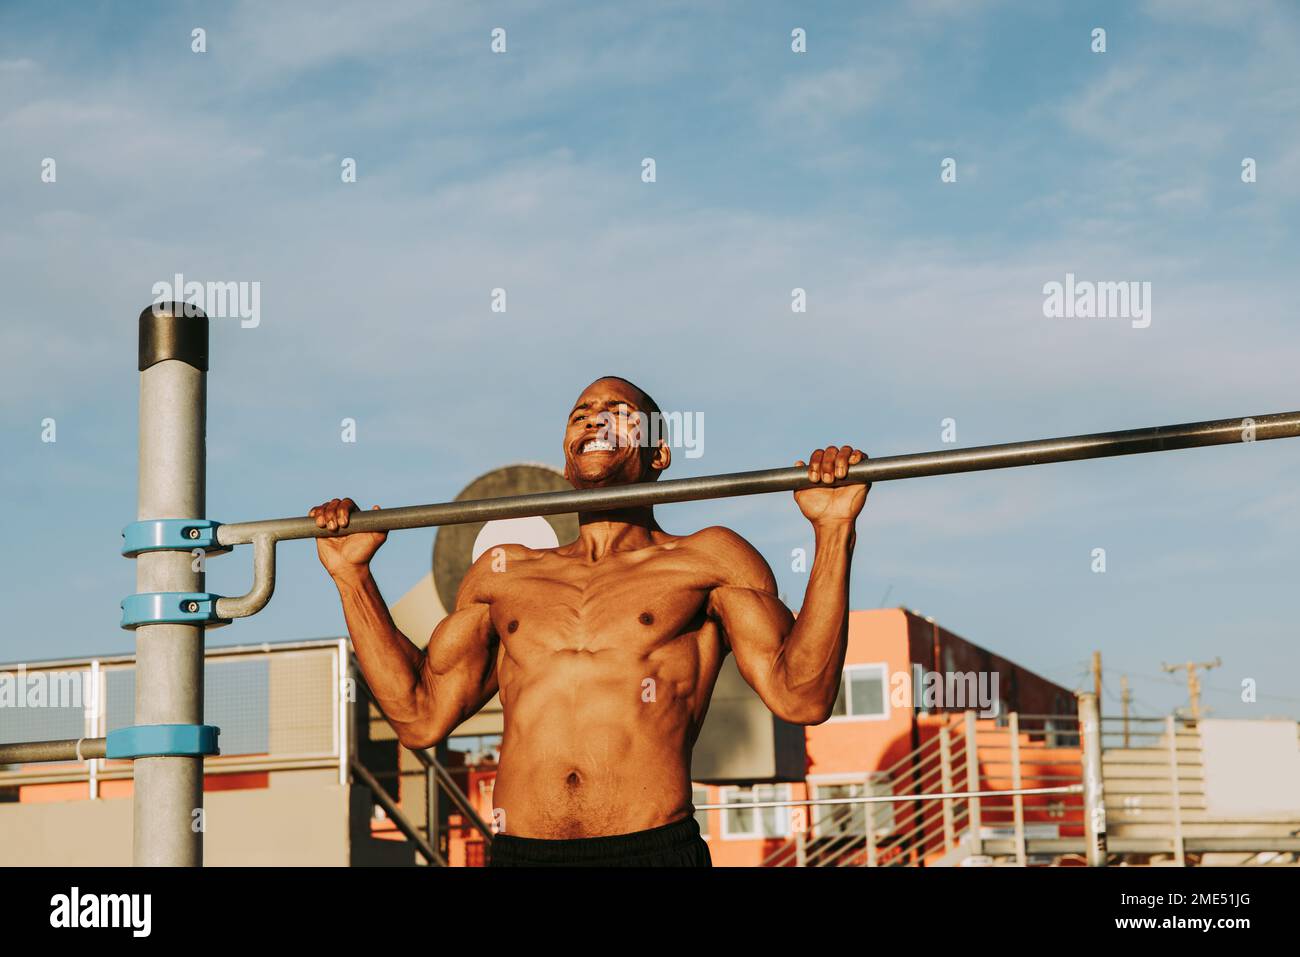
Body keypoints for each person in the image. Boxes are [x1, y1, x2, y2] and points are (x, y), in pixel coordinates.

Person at [311, 376, 868, 866]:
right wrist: (352, 576)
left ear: (660, 454)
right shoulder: (504, 573)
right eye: (581, 413)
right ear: (567, 455)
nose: (594, 418)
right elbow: (419, 716)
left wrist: (833, 529)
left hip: (650, 849)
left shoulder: (709, 559)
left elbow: (803, 697)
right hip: (519, 853)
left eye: (619, 412)